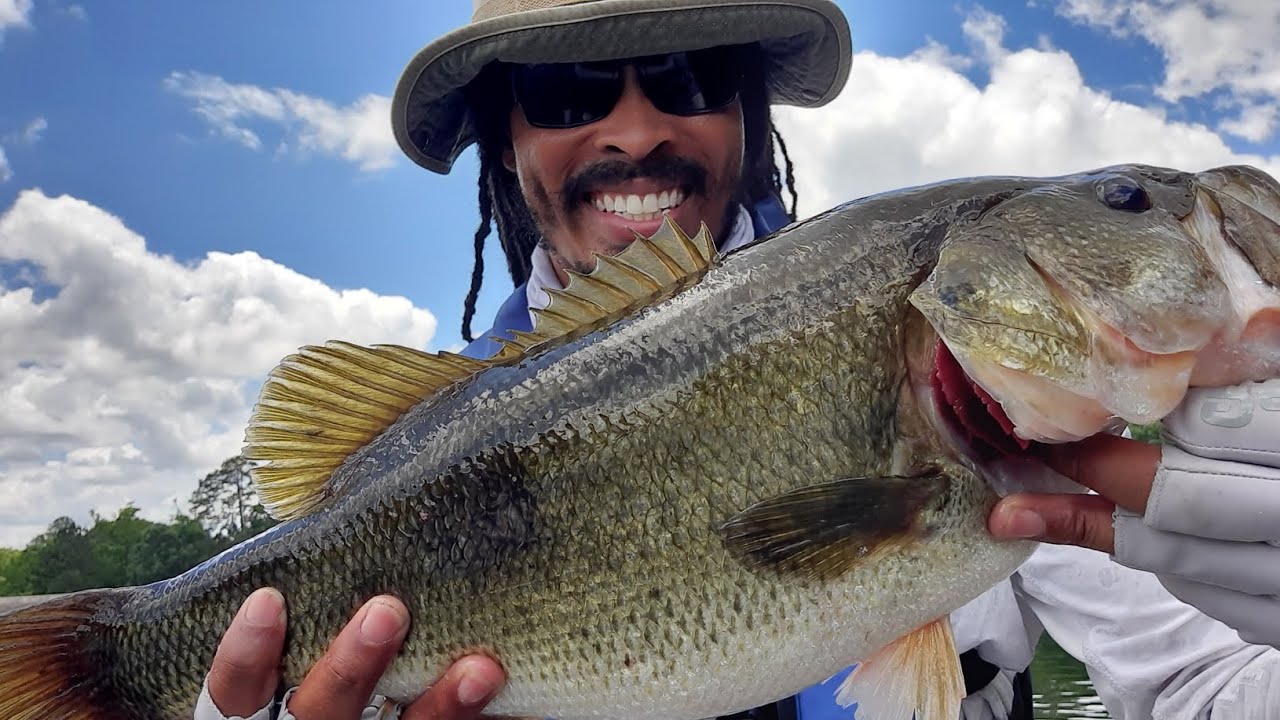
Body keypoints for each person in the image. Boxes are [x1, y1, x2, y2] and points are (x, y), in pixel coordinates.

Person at [194, 1, 1280, 718]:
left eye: (687, 75)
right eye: (568, 94)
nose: (631, 131)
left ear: (747, 115)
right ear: (501, 140)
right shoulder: (428, 444)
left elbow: (1211, 680)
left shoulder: (1044, 424)